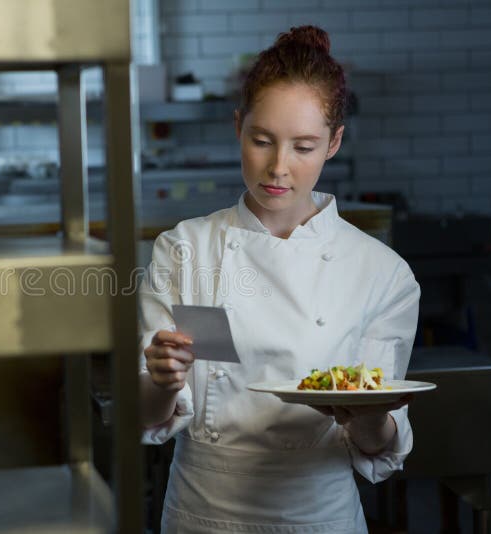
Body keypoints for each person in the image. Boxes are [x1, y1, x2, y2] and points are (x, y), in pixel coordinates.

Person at [139, 26, 420, 533]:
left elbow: (379, 447)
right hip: (204, 513)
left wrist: (372, 415)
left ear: (334, 142)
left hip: (319, 515)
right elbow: (146, 415)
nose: (278, 167)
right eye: (261, 140)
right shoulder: (184, 249)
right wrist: (161, 379)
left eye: (304, 147)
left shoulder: (382, 274)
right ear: (237, 127)